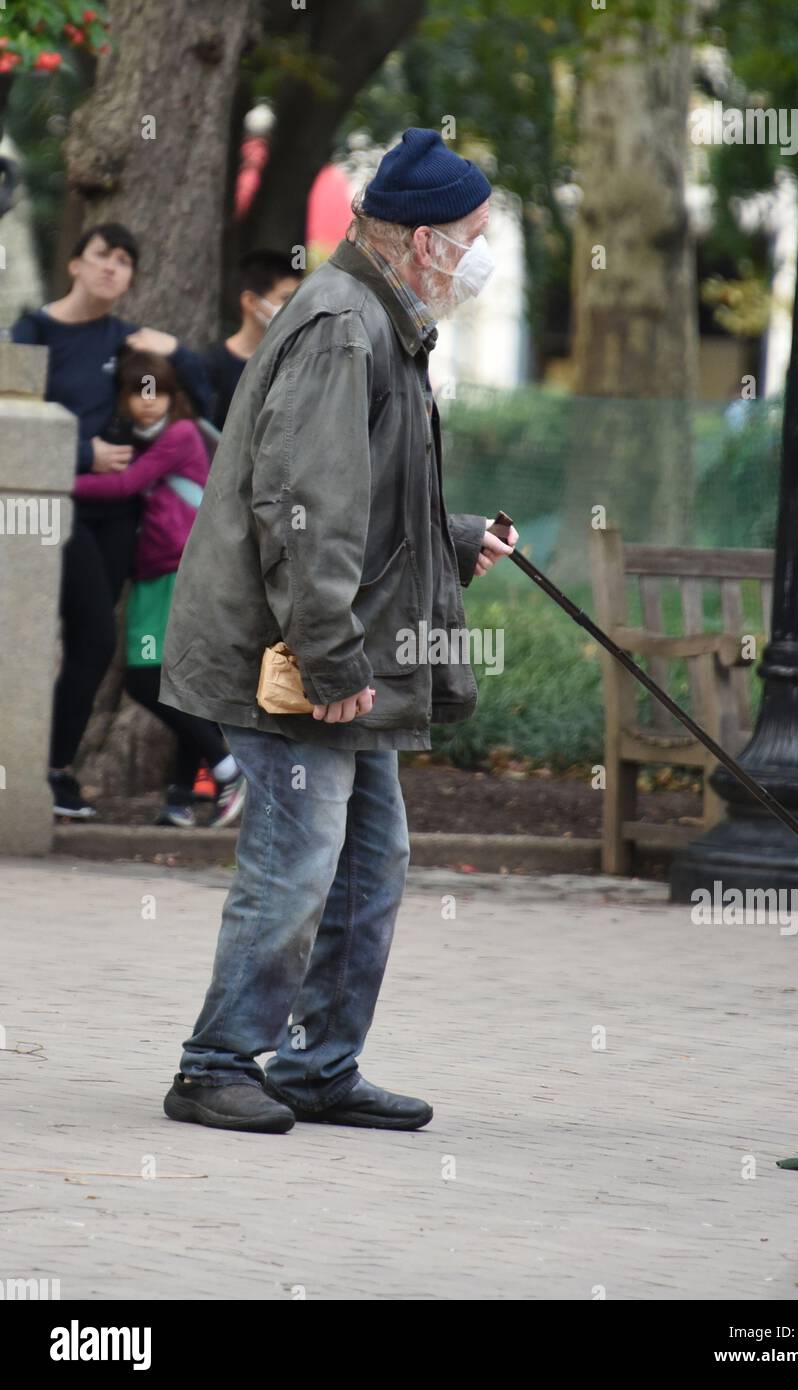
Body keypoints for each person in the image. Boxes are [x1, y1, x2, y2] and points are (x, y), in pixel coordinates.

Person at [158, 127, 518, 1135]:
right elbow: (300, 507)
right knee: (297, 862)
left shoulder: (377, 315)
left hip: (336, 650)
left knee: (366, 867)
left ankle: (318, 1065)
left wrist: (448, 539)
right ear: (414, 237)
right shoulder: (341, 323)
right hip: (297, 658)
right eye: (471, 234)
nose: (478, 254)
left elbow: (360, 497)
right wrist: (328, 655)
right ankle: (215, 1061)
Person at [10, 223, 211, 818]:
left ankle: (54, 773)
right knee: (74, 635)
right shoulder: (33, 332)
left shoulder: (131, 345)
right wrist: (83, 454)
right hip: (51, 510)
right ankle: (32, 772)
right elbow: (12, 425)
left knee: (93, 643)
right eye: (102, 255)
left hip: (119, 518)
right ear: (75, 262)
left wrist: (179, 352)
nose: (111, 269)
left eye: (125, 262)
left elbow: (193, 403)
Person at [71, 350, 245, 828]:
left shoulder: (180, 435)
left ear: (174, 395)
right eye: (138, 393)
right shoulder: (143, 438)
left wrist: (61, 480)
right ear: (124, 399)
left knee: (146, 680)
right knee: (182, 683)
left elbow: (128, 485)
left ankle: (227, 766)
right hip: (156, 574)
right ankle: (180, 797)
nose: (149, 403)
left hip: (177, 573)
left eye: (159, 392)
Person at [203, 249, 302, 431]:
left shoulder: (298, 361)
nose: (296, 307)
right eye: (286, 298)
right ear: (250, 301)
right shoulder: (212, 365)